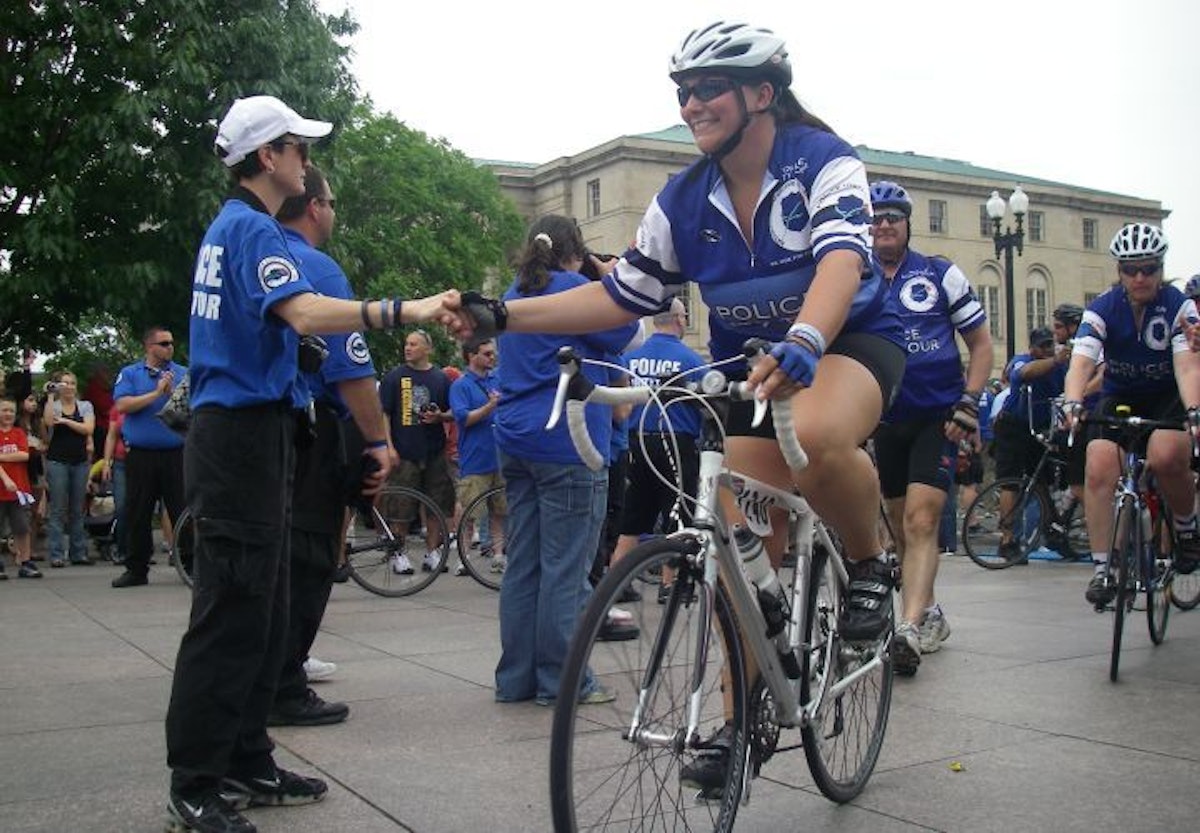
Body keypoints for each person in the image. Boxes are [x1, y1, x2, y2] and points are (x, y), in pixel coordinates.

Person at [457, 22, 906, 788]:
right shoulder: (681, 197)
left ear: (761, 93)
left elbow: (840, 260)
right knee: (726, 545)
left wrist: (804, 336)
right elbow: (617, 294)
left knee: (825, 434)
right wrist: (506, 314)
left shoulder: (821, 163)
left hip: (845, 344)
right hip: (753, 369)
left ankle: (869, 568)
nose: (691, 103)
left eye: (708, 88)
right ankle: (741, 725)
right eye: (683, 91)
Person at [162, 94, 460, 833]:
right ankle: (196, 779)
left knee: (262, 605)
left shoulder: (235, 228)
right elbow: (302, 312)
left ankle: (245, 753)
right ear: (269, 157)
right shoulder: (250, 229)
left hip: (252, 432)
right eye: (298, 148)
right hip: (238, 434)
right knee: (231, 607)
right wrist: (405, 310)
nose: (305, 162)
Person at [489, 215, 638, 706]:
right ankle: (563, 680)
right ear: (577, 252)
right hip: (568, 442)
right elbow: (627, 334)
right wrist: (605, 278)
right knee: (566, 567)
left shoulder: (513, 292)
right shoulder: (578, 287)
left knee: (524, 564)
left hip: (516, 438)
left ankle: (516, 679)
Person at [267, 164, 392, 726]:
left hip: (258, 431)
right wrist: (379, 440)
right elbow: (350, 369)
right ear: (314, 207)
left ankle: (267, 671)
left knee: (270, 556)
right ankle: (284, 681)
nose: (334, 211)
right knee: (312, 554)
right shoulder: (317, 267)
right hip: (312, 428)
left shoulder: (256, 255)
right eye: (333, 201)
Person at [868, 180, 993, 673]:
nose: (883, 226)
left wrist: (970, 401)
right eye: (875, 219)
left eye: (892, 218)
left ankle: (909, 627)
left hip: (935, 417)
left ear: (907, 223)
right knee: (898, 526)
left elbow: (980, 345)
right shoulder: (855, 276)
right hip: (882, 417)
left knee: (921, 520)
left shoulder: (940, 274)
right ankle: (931, 610)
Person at [1063, 223, 1200, 607]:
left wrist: (1194, 411)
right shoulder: (1103, 308)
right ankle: (1104, 566)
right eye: (1131, 269)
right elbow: (1081, 363)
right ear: (1119, 271)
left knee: (1167, 455)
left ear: (1160, 268)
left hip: (1166, 396)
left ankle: (1187, 529)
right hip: (1121, 395)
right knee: (1098, 462)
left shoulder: (1179, 306)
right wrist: (1073, 401)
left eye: (1149, 269)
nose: (1140, 277)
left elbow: (1188, 367)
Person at [608, 297, 704, 604]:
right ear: (679, 320)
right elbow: (707, 402)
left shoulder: (633, 358)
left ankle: (615, 584)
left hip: (637, 440)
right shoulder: (690, 359)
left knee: (634, 517)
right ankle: (670, 584)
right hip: (676, 441)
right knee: (678, 515)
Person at [110, 326, 187, 588]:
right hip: (141, 454)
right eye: (163, 343)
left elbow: (194, 407)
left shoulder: (182, 374)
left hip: (175, 453)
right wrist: (155, 393)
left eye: (171, 343)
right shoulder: (131, 374)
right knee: (138, 511)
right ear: (149, 346)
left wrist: (173, 392)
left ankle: (191, 563)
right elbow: (122, 405)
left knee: (181, 508)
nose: (169, 348)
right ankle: (136, 568)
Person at [378, 329, 456, 575]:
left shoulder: (440, 378)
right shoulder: (394, 377)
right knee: (401, 507)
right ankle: (398, 554)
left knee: (436, 505)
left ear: (427, 349)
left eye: (413, 344)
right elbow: (384, 414)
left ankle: (432, 552)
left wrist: (440, 416)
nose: (408, 348)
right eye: (407, 343)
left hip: (434, 451)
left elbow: (453, 410)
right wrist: (388, 447)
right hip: (404, 452)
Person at [449, 337, 506, 576]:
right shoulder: (461, 385)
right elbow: (463, 418)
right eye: (486, 353)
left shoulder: (498, 380)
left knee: (500, 510)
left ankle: (499, 555)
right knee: (470, 510)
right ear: (471, 356)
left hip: (500, 456)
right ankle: (464, 557)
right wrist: (490, 407)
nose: (492, 357)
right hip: (474, 458)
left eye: (493, 353)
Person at [41, 371, 95, 567]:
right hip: (57, 461)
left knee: (77, 509)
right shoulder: (54, 406)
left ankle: (78, 552)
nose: (69, 387)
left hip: (80, 461)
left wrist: (66, 421)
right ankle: (56, 553)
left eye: (72, 383)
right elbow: (48, 422)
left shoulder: (85, 406)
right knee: (57, 509)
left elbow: (88, 429)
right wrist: (49, 395)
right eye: (64, 383)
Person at [0, 395, 41, 578]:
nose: (8, 414)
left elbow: (24, 455)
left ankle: (25, 561)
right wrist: (6, 478)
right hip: (2, 488)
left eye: (11, 411)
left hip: (19, 490)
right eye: (4, 410)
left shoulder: (19, 433)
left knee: (22, 527)